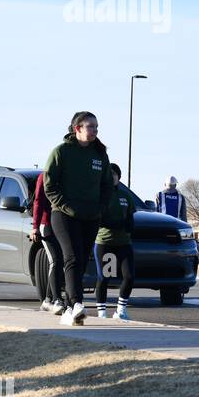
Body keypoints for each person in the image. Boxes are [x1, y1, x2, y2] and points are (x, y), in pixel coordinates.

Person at [44, 111, 116, 326]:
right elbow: (50, 185)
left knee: (82, 260)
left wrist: (101, 208)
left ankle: (69, 308)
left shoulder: (99, 155)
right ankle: (76, 303)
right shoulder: (61, 152)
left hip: (91, 216)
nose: (95, 130)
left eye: (96, 127)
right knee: (72, 257)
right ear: (78, 129)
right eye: (90, 126)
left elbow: (107, 185)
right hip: (63, 214)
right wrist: (66, 206)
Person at [94, 163, 136, 320]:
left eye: (114, 174)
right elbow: (98, 219)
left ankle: (120, 311)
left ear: (119, 177)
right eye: (109, 174)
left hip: (123, 243)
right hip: (105, 243)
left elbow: (130, 217)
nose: (111, 177)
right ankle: (102, 313)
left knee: (129, 276)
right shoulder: (100, 195)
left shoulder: (126, 196)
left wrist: (130, 225)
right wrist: (114, 223)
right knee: (105, 277)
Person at [29, 158, 66, 315]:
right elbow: (38, 202)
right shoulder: (44, 177)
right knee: (55, 260)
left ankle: (47, 300)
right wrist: (35, 227)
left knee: (61, 261)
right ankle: (57, 300)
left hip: (62, 225)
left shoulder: (67, 177)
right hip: (47, 225)